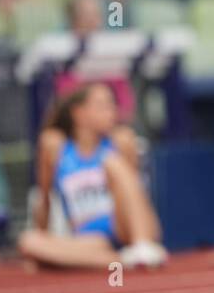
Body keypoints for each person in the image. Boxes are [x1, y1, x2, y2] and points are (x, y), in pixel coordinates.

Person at [18, 82, 167, 270]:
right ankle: (120, 261)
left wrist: (140, 234)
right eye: (102, 106)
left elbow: (136, 193)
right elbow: (44, 198)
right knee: (28, 240)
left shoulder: (121, 140)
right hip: (92, 239)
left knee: (112, 164)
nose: (112, 111)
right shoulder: (54, 146)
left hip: (126, 227)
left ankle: (141, 246)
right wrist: (41, 248)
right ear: (78, 113)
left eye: (112, 104)